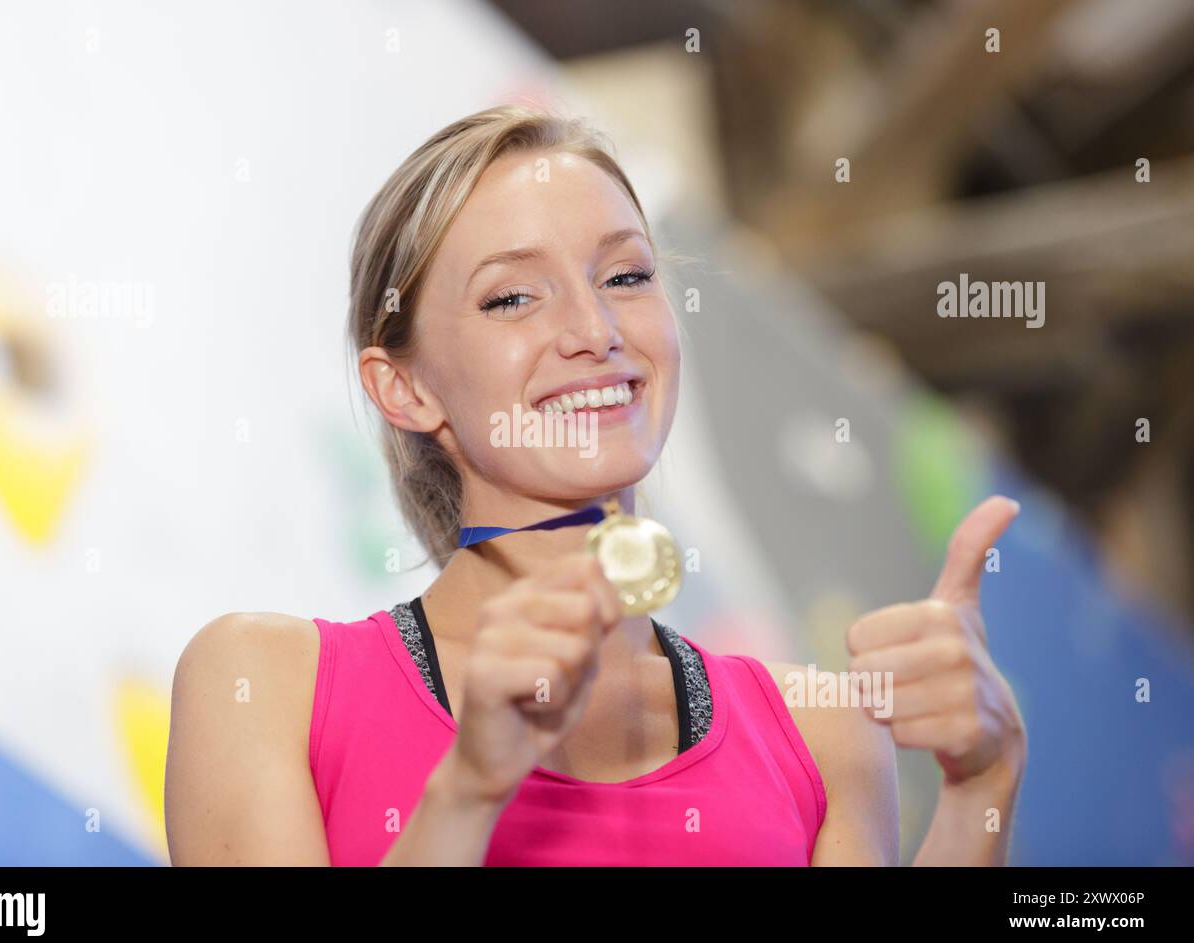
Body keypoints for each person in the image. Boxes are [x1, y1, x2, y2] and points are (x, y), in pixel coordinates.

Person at [163, 104, 1027, 866]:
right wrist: (467, 790)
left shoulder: (821, 733)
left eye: (626, 277)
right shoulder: (266, 683)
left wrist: (980, 784)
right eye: (511, 299)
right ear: (406, 388)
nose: (594, 330)